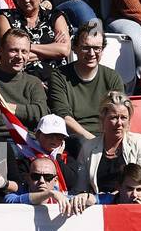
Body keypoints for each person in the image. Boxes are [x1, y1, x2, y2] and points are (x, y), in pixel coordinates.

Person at [49, 21, 126, 149]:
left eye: (97, 48)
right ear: (75, 48)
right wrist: (93, 140)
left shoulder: (112, 77)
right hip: (75, 137)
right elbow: (63, 116)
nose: (91, 53)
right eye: (86, 47)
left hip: (107, 135)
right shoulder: (59, 76)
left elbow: (119, 113)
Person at [76, 91, 141, 200]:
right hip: (99, 210)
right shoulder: (88, 148)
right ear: (103, 119)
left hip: (137, 204)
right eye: (114, 117)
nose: (119, 123)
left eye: (124, 118)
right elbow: (80, 188)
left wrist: (106, 198)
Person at [0, 0, 73, 86]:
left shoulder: (55, 16)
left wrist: (25, 48)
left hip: (55, 81)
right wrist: (51, 50)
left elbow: (63, 50)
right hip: (19, 81)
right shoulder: (6, 17)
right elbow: (9, 54)